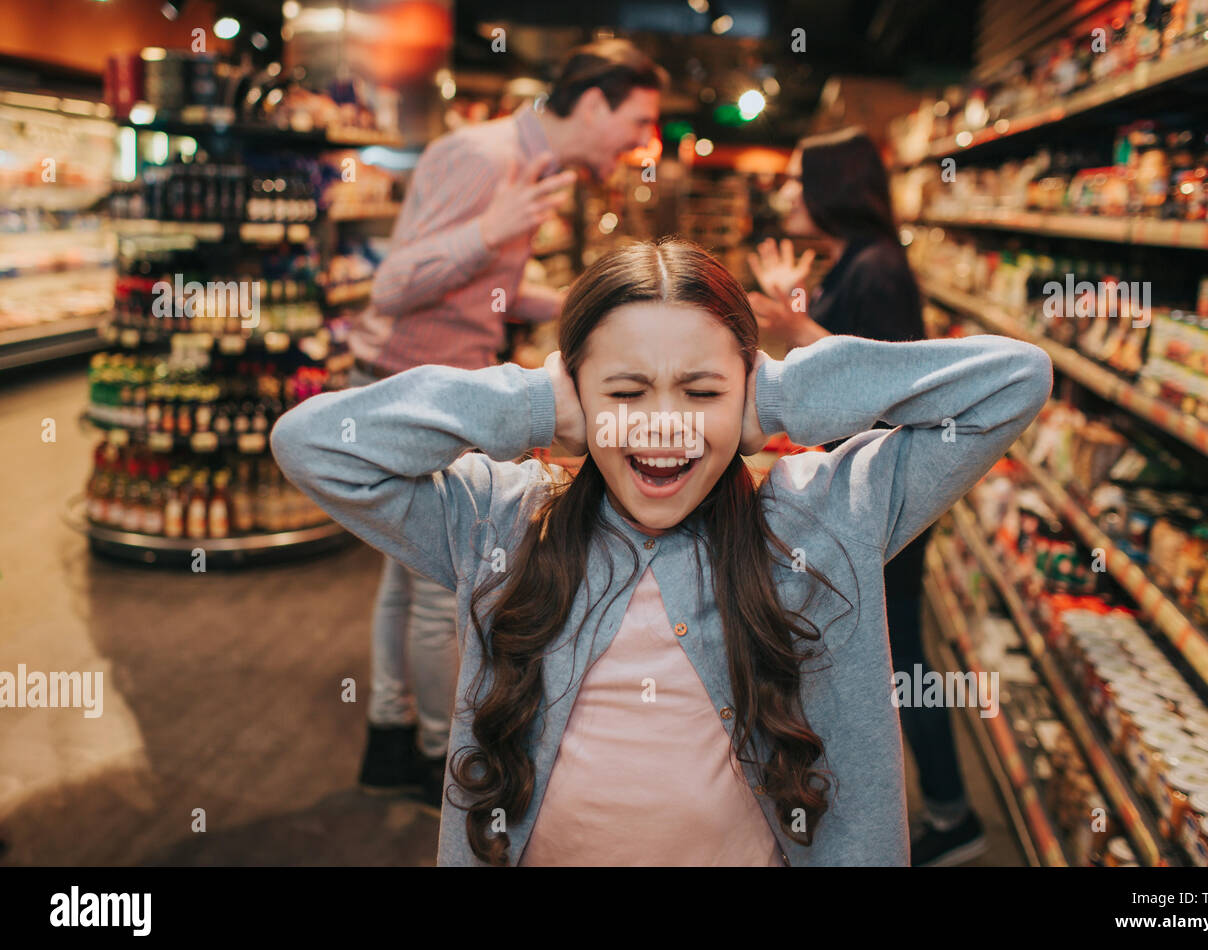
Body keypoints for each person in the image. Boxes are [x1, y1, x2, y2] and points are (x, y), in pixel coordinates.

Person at [271, 238, 1051, 865]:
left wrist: (776, 397)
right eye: (626, 391)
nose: (665, 426)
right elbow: (314, 444)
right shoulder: (504, 523)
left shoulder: (821, 522)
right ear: (576, 395)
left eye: (702, 393)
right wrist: (534, 406)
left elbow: (1012, 380)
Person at [345, 38, 665, 811]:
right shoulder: (484, 158)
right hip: (416, 387)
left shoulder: (535, 168)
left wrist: (586, 304)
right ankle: (432, 753)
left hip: (444, 384)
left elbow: (486, 292)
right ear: (595, 102)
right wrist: (492, 231)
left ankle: (392, 735)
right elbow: (393, 286)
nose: (641, 143)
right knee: (438, 586)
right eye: (639, 120)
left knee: (406, 576)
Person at [747, 126, 988, 865]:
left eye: (796, 180)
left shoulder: (878, 267)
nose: (785, 193)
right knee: (891, 656)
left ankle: (949, 813)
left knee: (903, 662)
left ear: (833, 188)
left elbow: (902, 397)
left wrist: (794, 325)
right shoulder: (850, 259)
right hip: (855, 495)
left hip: (881, 502)